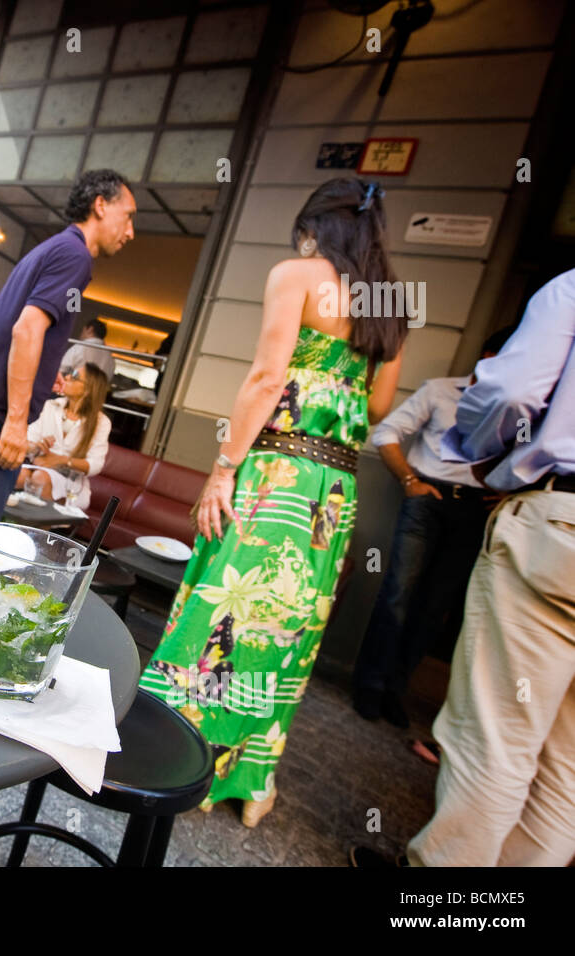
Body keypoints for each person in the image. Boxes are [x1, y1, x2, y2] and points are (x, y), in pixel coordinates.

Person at [138, 178, 406, 827]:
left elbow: (265, 378)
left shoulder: (300, 273)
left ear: (316, 227)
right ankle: (255, 784)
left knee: (220, 616)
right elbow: (377, 407)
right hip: (334, 493)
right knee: (288, 631)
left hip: (278, 475)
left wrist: (224, 467)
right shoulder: (391, 303)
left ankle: (178, 759)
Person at [385, 268, 574, 868]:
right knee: (565, 772)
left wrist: (490, 464)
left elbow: (512, 393)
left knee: (498, 742)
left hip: (561, 526)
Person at [0, 169, 136, 521]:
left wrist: (44, 377)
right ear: (101, 205)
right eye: (129, 217)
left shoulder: (50, 248)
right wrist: (16, 422)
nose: (131, 232)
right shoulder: (75, 255)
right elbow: (26, 330)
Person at [351, 328, 515, 729]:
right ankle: (368, 687)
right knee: (397, 595)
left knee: (434, 610)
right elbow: (387, 432)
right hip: (427, 501)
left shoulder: (515, 409)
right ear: (485, 356)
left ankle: (395, 689)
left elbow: (527, 451)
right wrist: (410, 481)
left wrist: (511, 491)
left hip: (475, 510)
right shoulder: (440, 391)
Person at [15, 362, 112, 511]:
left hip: (71, 482)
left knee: (40, 478)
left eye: (74, 376)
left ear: (88, 389)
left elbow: (95, 465)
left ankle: (36, 532)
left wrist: (61, 461)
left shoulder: (101, 422)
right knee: (17, 474)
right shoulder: (50, 406)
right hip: (37, 467)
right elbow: (28, 442)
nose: (66, 376)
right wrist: (37, 446)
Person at [60, 318, 116, 382]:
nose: (81, 334)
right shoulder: (111, 359)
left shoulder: (80, 347)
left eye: (83, 330)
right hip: (97, 391)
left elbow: (63, 368)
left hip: (73, 387)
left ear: (90, 329)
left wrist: (75, 375)